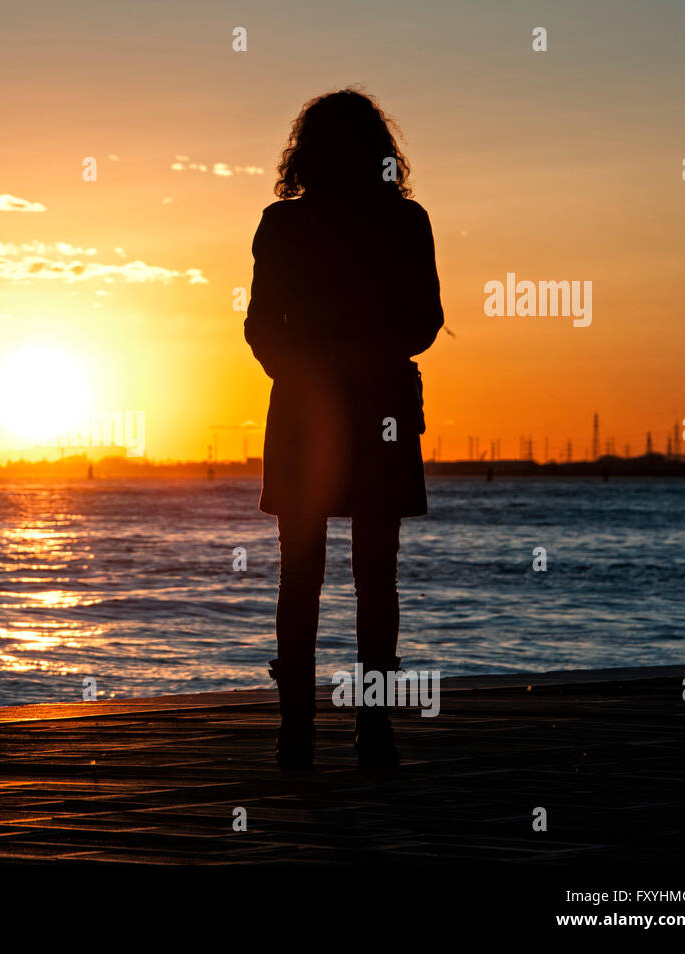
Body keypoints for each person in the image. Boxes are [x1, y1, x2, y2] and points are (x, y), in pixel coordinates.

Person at [245, 89, 444, 770]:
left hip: (306, 410)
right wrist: (366, 359)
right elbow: (425, 324)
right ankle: (374, 732)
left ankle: (295, 735)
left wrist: (301, 373)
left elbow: (259, 326)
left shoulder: (283, 224)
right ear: (382, 153)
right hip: (376, 408)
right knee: (375, 575)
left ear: (305, 152)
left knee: (300, 574)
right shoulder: (405, 222)